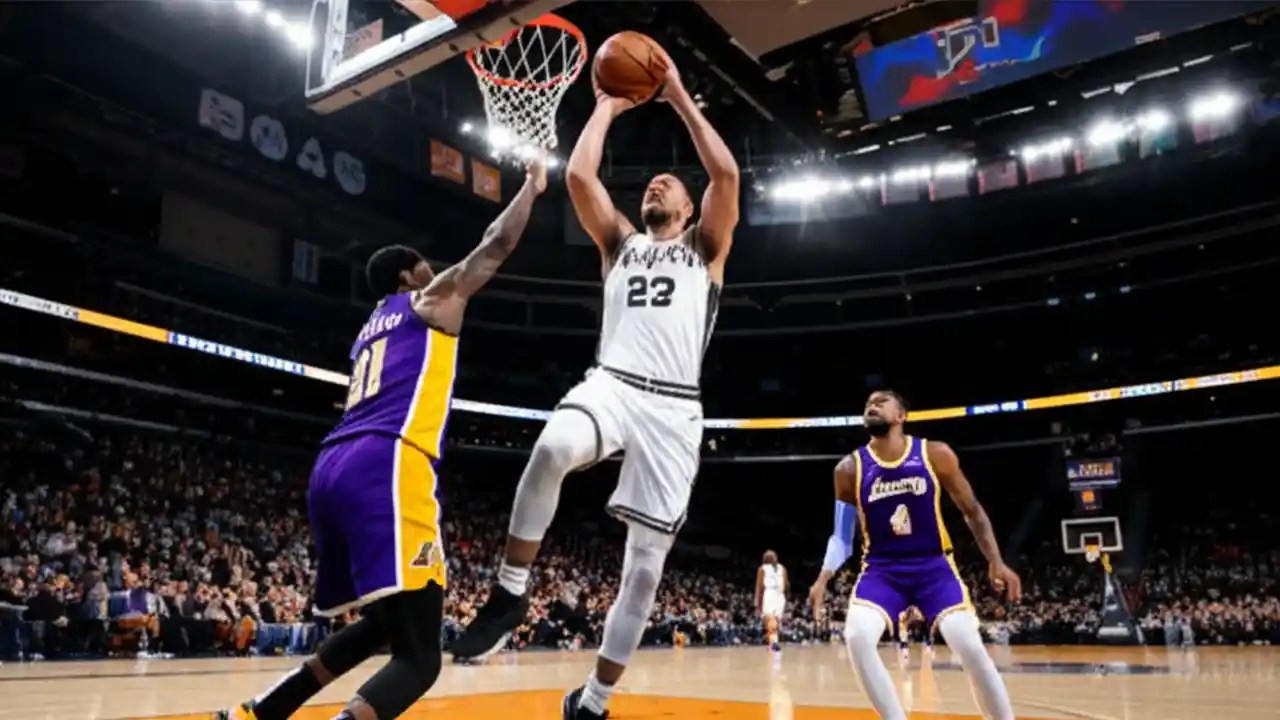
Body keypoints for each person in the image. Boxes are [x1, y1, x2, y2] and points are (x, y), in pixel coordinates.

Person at [449, 51, 740, 720]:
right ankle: (510, 589)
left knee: (644, 568)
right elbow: (581, 175)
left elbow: (725, 173)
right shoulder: (619, 243)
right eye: (651, 185)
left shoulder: (706, 249)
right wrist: (607, 104)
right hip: (612, 383)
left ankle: (595, 701)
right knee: (553, 448)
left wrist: (677, 96)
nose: (657, 185)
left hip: (674, 408)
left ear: (690, 208)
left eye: (670, 185)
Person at [217, 157, 548, 720]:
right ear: (408, 278)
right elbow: (494, 245)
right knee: (421, 658)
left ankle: (261, 711)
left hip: (332, 468)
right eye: (426, 267)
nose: (435, 272)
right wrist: (533, 188)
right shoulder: (428, 303)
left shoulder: (367, 332)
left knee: (382, 623)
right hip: (387, 463)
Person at [811, 390, 1021, 720]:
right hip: (882, 571)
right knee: (856, 636)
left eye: (881, 401)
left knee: (969, 645)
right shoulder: (849, 469)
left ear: (901, 416)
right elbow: (841, 537)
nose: (872, 405)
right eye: (868, 403)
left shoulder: (935, 454)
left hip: (934, 567)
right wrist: (823, 578)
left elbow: (972, 511)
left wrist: (995, 559)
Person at [756, 550, 787, 652]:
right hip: (780, 595)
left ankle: (773, 643)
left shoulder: (762, 568)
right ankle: (773, 643)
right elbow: (785, 585)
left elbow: (760, 587)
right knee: (775, 620)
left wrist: (758, 603)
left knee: (770, 620)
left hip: (770, 593)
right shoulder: (783, 568)